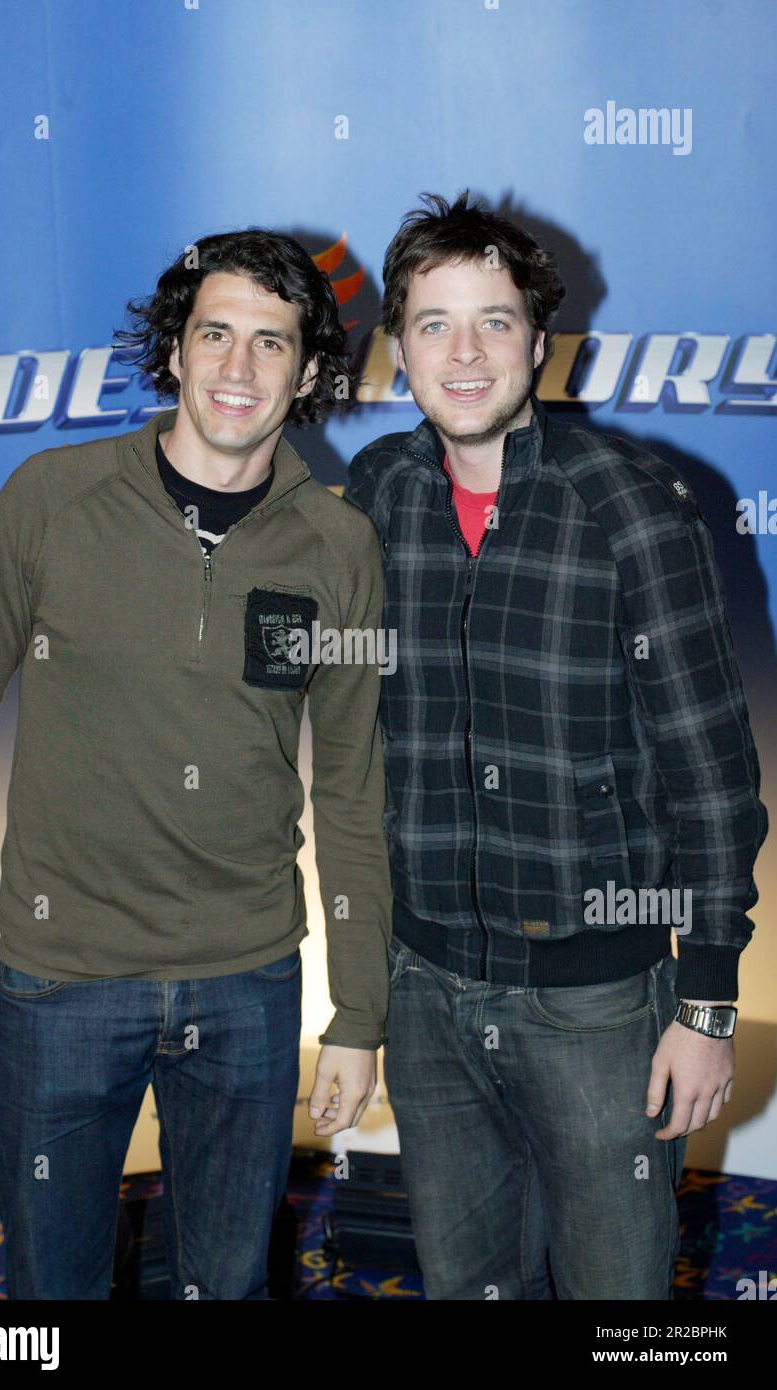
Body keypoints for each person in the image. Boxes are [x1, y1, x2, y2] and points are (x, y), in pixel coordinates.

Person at [0, 228, 392, 1299]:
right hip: (60, 979)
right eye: (213, 333)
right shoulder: (50, 499)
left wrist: (357, 1014)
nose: (236, 368)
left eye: (271, 343)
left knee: (228, 1284)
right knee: (51, 1292)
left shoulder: (336, 545)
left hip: (251, 981)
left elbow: (352, 786)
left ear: (309, 370)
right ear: (173, 348)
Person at [344, 191, 768, 1300]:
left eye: (494, 320)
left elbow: (711, 777)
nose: (465, 352)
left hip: (596, 1007)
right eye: (433, 323)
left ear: (540, 342)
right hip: (427, 989)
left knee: (614, 1299)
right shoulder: (376, 494)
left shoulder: (630, 507)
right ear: (398, 350)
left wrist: (706, 1002)